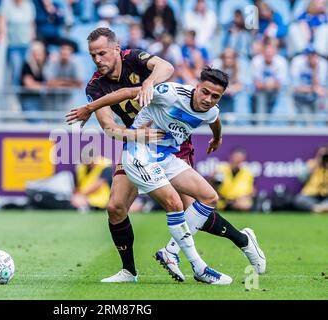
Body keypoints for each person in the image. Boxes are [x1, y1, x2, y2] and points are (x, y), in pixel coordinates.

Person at [66, 28, 266, 282]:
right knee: (116, 207)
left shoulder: (134, 58)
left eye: (102, 53)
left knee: (191, 209)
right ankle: (130, 271)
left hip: (172, 142)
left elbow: (166, 67)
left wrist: (148, 82)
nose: (97, 60)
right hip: (138, 142)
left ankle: (242, 241)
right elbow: (109, 128)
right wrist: (135, 135)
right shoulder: (95, 86)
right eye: (93, 55)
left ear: (116, 49)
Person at [0, 0, 36, 86]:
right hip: (13, 45)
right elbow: (2, 21)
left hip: (27, 45)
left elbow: (32, 24)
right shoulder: (6, 3)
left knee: (27, 70)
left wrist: (32, 39)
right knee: (16, 70)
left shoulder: (29, 4)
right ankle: (15, 92)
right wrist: (2, 34)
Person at [290, 46, 328, 125]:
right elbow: (296, 87)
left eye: (313, 55)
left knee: (324, 95)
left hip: (314, 95)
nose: (311, 57)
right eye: (309, 55)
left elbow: (320, 87)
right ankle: (292, 123)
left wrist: (314, 68)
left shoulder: (322, 64)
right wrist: (313, 88)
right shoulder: (297, 62)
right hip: (299, 96)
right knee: (290, 94)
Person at [211, 147, 255, 212]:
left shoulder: (247, 173)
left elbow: (251, 191)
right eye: (236, 157)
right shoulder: (220, 168)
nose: (238, 160)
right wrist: (213, 178)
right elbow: (212, 185)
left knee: (245, 204)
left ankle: (232, 206)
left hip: (237, 201)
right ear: (231, 157)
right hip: (221, 199)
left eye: (241, 158)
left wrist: (245, 197)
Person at [294, 145, 328, 213]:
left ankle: (319, 208)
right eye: (321, 155)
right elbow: (301, 179)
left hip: (326, 196)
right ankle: (320, 208)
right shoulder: (311, 164)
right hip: (311, 196)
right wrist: (311, 169)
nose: (323, 158)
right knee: (299, 199)